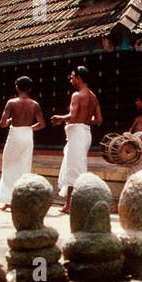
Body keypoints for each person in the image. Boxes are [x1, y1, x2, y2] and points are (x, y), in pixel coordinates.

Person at [51, 65, 101, 214]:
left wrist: (59, 118)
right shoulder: (93, 96)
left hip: (78, 134)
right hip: (85, 133)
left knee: (76, 169)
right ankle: (69, 205)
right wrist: (84, 121)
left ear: (79, 78)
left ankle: (75, 204)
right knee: (75, 167)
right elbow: (98, 119)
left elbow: (72, 116)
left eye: (72, 76)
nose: (71, 79)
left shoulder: (77, 95)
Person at [0, 76, 46, 209]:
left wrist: (10, 121)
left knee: (8, 166)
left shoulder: (11, 103)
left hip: (15, 134)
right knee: (24, 166)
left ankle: (7, 200)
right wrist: (29, 128)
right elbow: (42, 124)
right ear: (29, 89)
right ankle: (22, 200)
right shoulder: (35, 104)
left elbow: (2, 124)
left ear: (16, 87)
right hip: (27, 134)